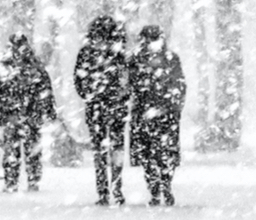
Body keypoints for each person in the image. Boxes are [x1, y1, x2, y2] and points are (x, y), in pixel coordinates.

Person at [0, 33, 56, 192]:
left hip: (19, 113)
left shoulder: (9, 66)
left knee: (16, 149)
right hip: (26, 113)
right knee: (25, 149)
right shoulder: (31, 65)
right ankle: (27, 179)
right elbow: (45, 87)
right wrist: (48, 109)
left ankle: (16, 180)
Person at [73, 15, 129, 206]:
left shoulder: (87, 53)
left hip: (97, 106)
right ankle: (115, 188)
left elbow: (79, 80)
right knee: (116, 149)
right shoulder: (119, 54)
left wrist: (90, 94)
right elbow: (127, 80)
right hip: (114, 107)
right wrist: (121, 96)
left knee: (100, 150)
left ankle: (104, 190)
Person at [128, 25, 186, 206]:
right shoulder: (165, 59)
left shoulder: (140, 59)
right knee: (159, 152)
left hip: (154, 111)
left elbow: (178, 85)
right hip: (159, 112)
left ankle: (158, 187)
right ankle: (161, 186)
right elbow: (179, 85)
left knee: (152, 152)